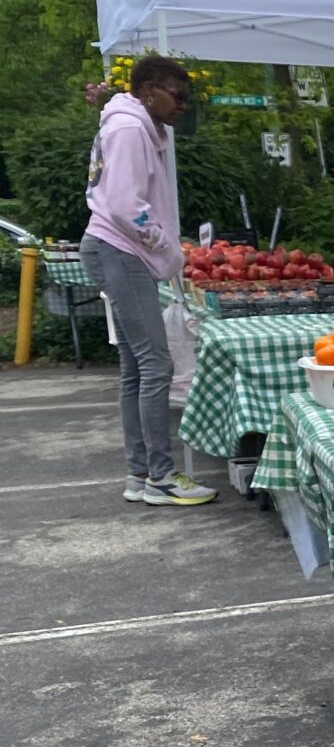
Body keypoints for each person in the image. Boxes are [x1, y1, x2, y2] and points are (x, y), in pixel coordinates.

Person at [83, 54, 215, 507]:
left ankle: (140, 473)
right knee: (155, 365)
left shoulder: (136, 127)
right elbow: (123, 205)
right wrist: (166, 245)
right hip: (120, 250)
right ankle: (160, 474)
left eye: (185, 97)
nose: (182, 105)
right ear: (148, 93)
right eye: (176, 96)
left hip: (118, 250)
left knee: (137, 368)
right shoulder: (129, 129)